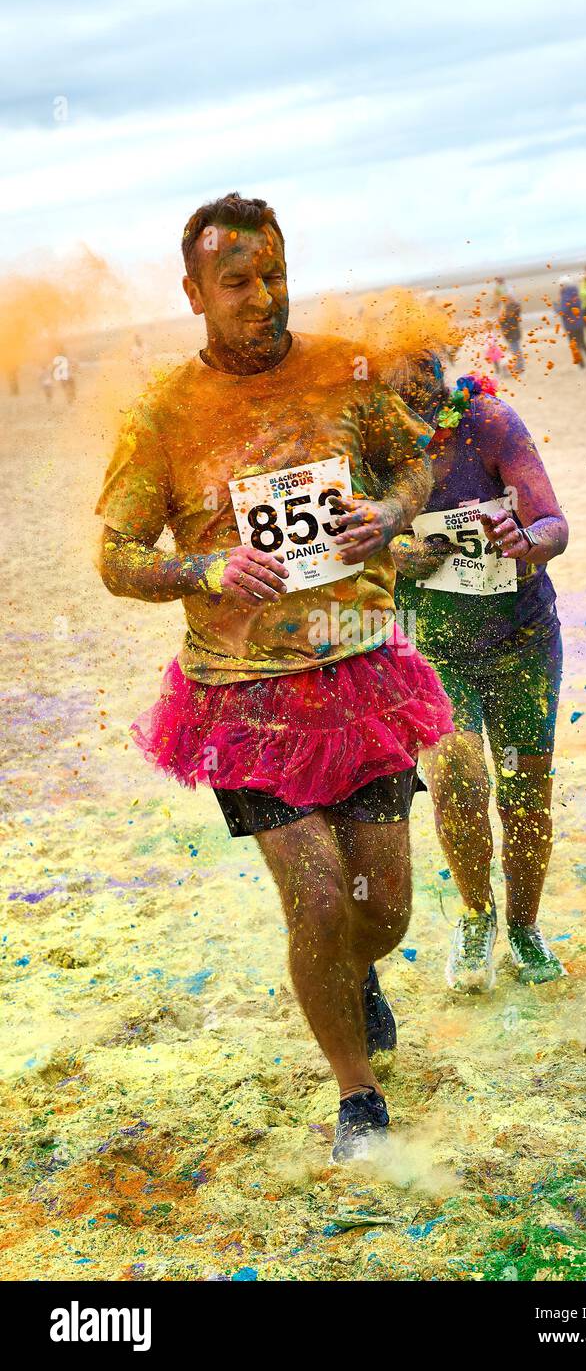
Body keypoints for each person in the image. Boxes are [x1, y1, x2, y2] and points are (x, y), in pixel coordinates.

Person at [95, 193, 454, 1163]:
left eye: (275, 276)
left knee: (383, 909)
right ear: (195, 292)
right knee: (320, 900)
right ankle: (358, 1097)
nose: (263, 298)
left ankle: (349, 977)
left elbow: (410, 467)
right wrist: (199, 567)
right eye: (238, 283)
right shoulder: (161, 416)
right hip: (241, 697)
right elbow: (118, 555)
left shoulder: (347, 372)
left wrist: (385, 515)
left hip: (364, 673)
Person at [388, 354, 569, 989]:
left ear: (445, 376)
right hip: (433, 648)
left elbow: (554, 523)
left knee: (525, 790)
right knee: (456, 783)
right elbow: (349, 544)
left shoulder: (488, 421)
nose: (418, 399)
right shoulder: (372, 442)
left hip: (521, 638)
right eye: (401, 388)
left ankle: (523, 926)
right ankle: (476, 916)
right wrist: (405, 552)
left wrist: (527, 539)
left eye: (427, 383)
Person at [556, 276, 586, 368]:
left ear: (564, 285)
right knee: (582, 343)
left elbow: (563, 311)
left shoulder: (566, 295)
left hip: (571, 325)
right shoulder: (575, 293)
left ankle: (582, 365)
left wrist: (556, 307)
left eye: (560, 285)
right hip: (579, 323)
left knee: (575, 346)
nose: (559, 287)